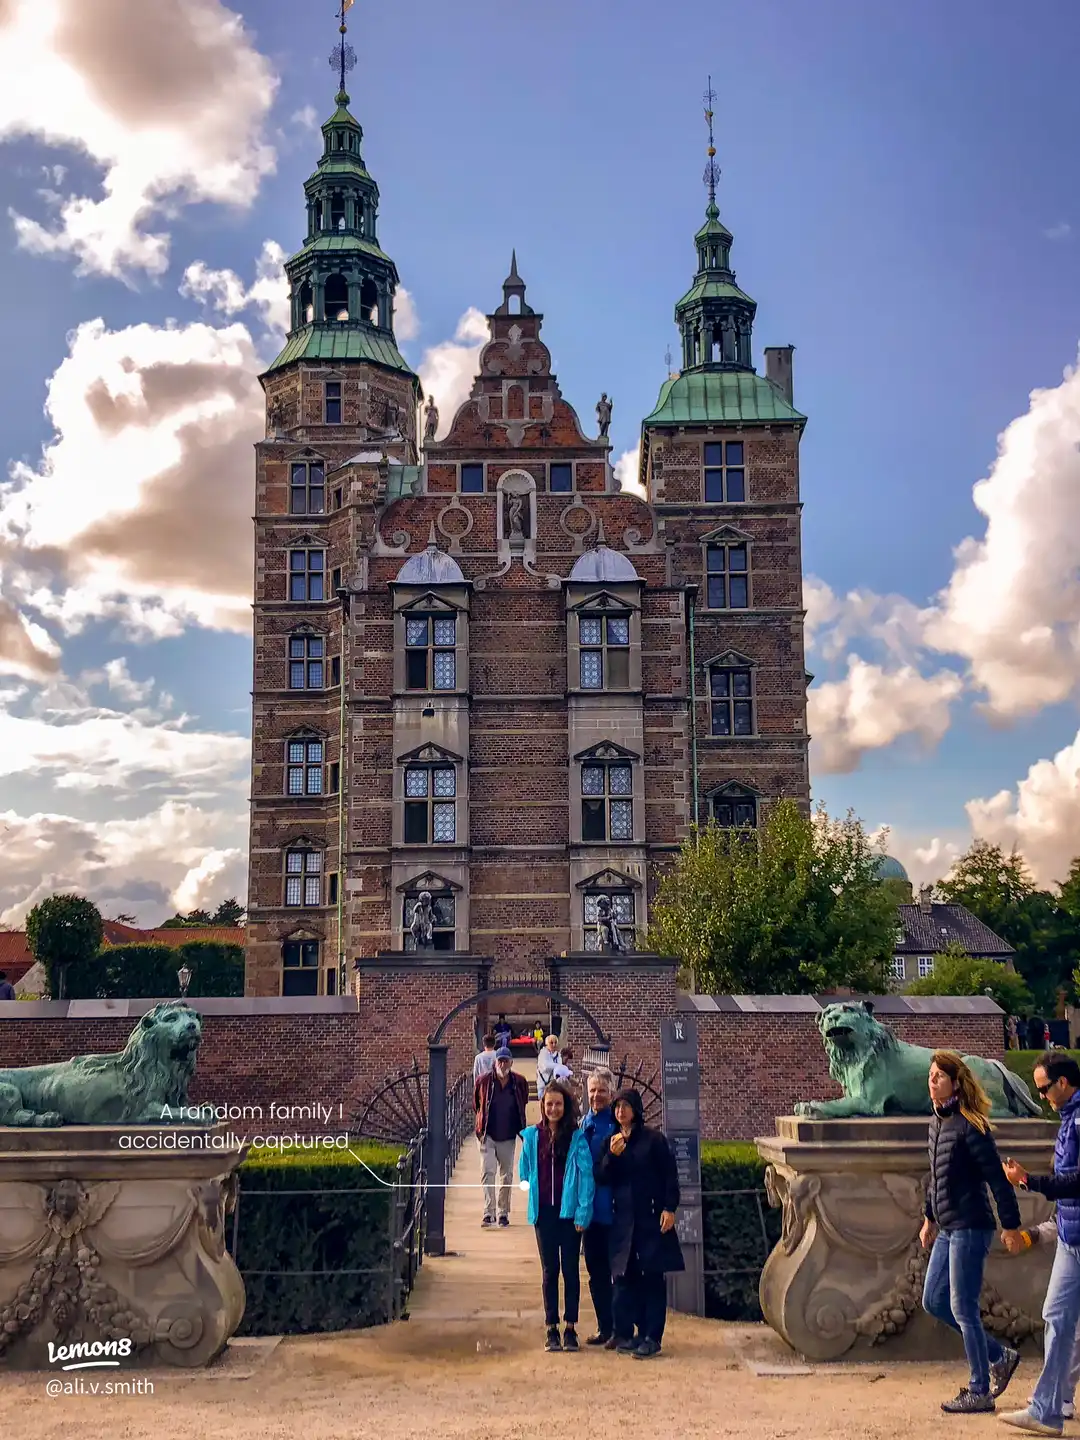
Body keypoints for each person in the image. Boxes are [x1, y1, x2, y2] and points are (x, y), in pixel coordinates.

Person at [920, 1050, 1023, 1414]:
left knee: (962, 1307)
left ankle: (979, 1390)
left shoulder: (970, 1126)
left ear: (955, 1082)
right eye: (930, 1075)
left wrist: (1011, 1225)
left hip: (971, 1226)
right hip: (947, 1226)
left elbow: (998, 1180)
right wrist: (929, 1218)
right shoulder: (937, 1123)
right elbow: (936, 1177)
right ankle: (1000, 1356)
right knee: (933, 1300)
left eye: (939, 1076)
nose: (932, 1080)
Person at [997, 1052, 1080, 1435]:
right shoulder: (1069, 1119)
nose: (1041, 1095)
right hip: (1070, 1235)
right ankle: (1047, 1410)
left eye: (1044, 1087)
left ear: (1063, 1083)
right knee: (1056, 1318)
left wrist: (1029, 1182)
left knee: (1059, 1320)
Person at [595, 1088, 683, 1359]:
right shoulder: (612, 1141)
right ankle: (632, 1331)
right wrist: (611, 1157)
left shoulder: (654, 1140)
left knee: (652, 1277)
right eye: (617, 1107)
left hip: (651, 1216)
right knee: (626, 1276)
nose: (621, 1111)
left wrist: (670, 1208)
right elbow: (602, 1176)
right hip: (624, 1221)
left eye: (625, 1106)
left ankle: (652, 1336)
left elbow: (670, 1174)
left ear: (636, 1109)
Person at [518, 1079, 594, 1352]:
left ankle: (570, 1327)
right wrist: (527, 1185)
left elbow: (586, 1176)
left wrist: (583, 1211)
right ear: (542, 1106)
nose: (553, 1109)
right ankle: (551, 1327)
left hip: (569, 1213)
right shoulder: (531, 1136)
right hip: (544, 1214)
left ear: (565, 1106)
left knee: (571, 1271)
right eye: (549, 1104)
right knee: (550, 1271)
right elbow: (524, 1170)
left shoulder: (576, 1137)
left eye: (558, 1104)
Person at [1003, 1216, 1080, 1422]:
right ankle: (1053, 1403)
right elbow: (1061, 1218)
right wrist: (1027, 1237)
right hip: (1071, 1241)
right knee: (1058, 1319)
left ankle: (1057, 1400)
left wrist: (1029, 1183)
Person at [580, 1066, 618, 1346]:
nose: (596, 1096)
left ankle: (621, 1327)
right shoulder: (584, 1123)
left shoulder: (617, 1125)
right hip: (590, 1211)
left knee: (618, 1272)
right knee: (596, 1272)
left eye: (602, 1091)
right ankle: (605, 1326)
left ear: (611, 1093)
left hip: (613, 1209)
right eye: (592, 1090)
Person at [474, 1047, 528, 1228]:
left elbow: (523, 1103)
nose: (503, 1064)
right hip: (487, 1133)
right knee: (487, 1172)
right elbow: (477, 1104)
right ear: (495, 1062)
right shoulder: (483, 1081)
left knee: (506, 1175)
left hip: (508, 1135)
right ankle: (489, 1212)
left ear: (511, 1063)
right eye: (500, 1061)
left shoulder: (519, 1082)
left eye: (506, 1061)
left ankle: (503, 1212)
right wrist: (481, 1125)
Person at [536, 1033, 560, 1101]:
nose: (554, 1045)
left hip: (554, 1086)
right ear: (547, 1044)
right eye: (551, 1043)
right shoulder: (543, 1053)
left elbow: (560, 1070)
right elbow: (545, 1066)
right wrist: (557, 1066)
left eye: (555, 1043)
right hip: (543, 1086)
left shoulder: (558, 1055)